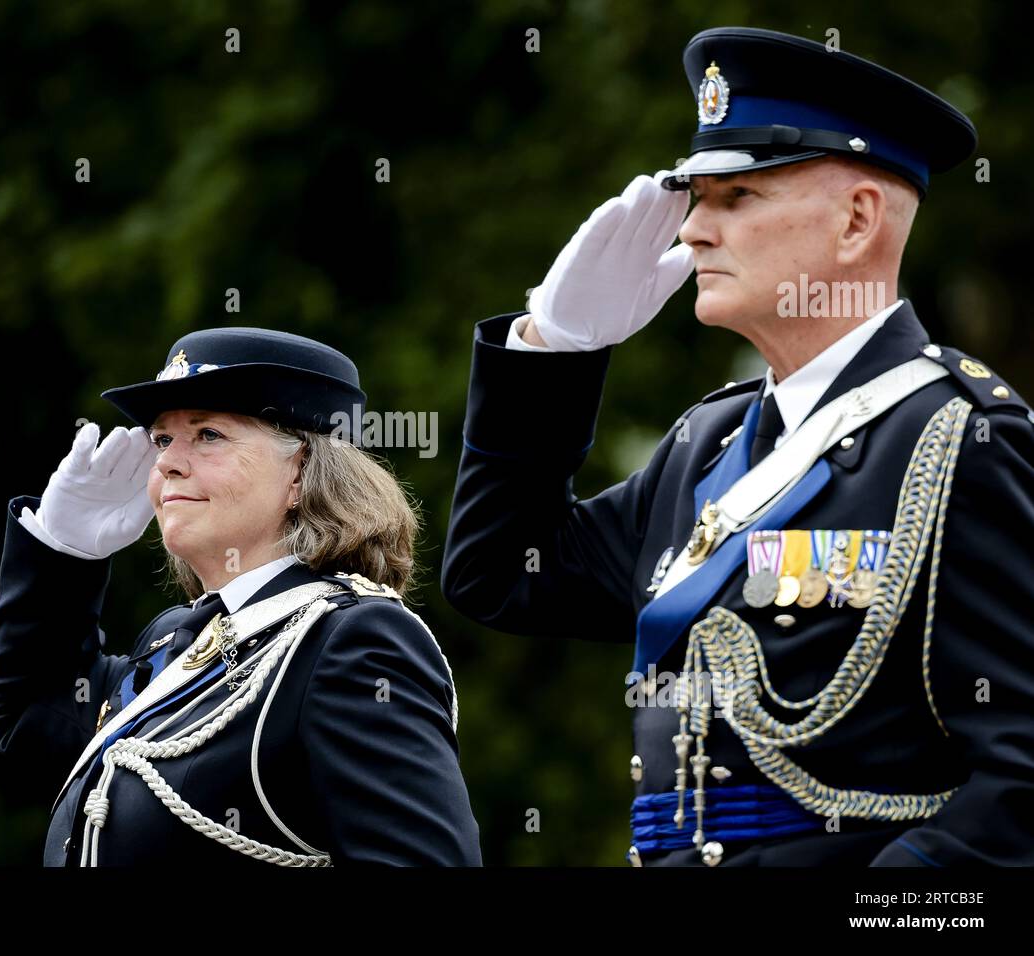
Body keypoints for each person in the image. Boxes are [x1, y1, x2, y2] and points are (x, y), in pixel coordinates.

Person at [442, 26, 1034, 866]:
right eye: (695, 200)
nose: (691, 234)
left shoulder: (960, 439)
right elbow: (500, 572)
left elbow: (1018, 784)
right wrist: (552, 347)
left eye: (738, 198)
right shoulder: (707, 443)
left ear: (857, 220)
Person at [0, 326, 481, 866]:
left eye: (208, 435)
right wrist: (63, 552)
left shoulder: (351, 642)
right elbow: (34, 720)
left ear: (300, 471)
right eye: (162, 438)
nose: (167, 463)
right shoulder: (178, 640)